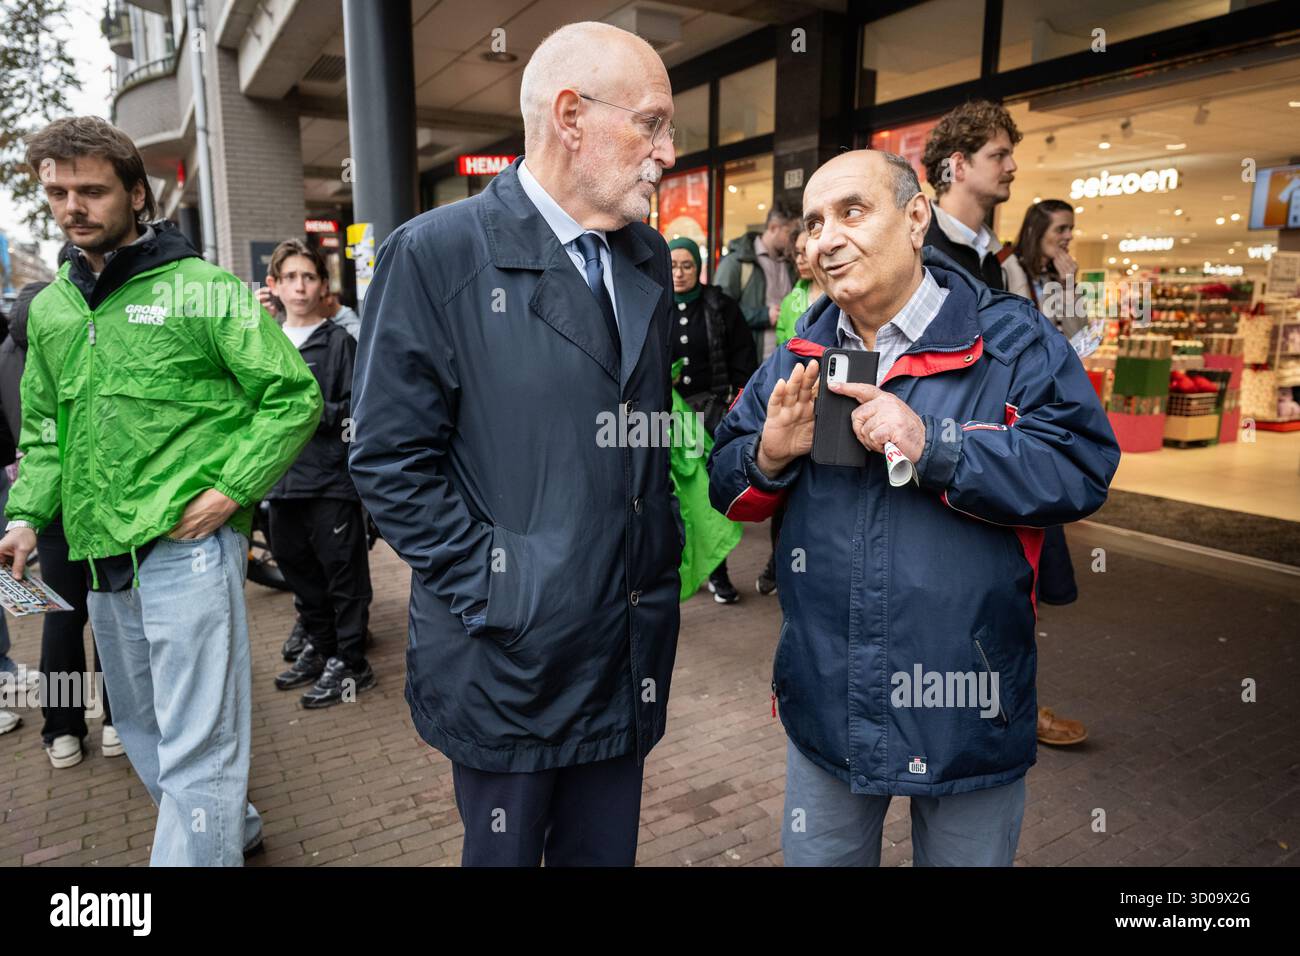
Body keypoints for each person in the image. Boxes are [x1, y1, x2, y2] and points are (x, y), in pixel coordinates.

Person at [707, 149, 1119, 866]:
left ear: (917, 216)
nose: (825, 238)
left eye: (851, 211)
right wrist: (769, 454)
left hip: (968, 706)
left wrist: (936, 445)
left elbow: (1081, 467)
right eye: (812, 222)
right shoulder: (800, 351)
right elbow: (727, 484)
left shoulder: (1013, 341)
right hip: (827, 698)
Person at [348, 21, 681, 867]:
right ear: (571, 116)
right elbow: (389, 460)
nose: (668, 152)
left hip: (626, 648)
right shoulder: (434, 255)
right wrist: (505, 587)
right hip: (511, 663)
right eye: (652, 123)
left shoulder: (643, 254)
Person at [0, 116, 321, 865]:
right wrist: (22, 517)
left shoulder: (203, 290)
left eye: (91, 189)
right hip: (100, 555)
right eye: (57, 193)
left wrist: (228, 491)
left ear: (136, 193)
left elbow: (292, 396)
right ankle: (226, 826)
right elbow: (45, 432)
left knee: (201, 745)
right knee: (143, 729)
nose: (73, 206)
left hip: (188, 551)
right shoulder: (50, 310)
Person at [0, 281, 120, 767]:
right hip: (97, 498)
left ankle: (62, 730)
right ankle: (116, 721)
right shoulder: (74, 339)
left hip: (41, 506)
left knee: (63, 619)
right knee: (113, 612)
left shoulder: (5, 356)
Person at [262, 239, 375, 708]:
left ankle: (351, 662)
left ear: (323, 286)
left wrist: (312, 411)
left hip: (330, 482)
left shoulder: (341, 343)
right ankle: (322, 648)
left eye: (308, 277)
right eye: (290, 277)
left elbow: (359, 413)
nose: (300, 286)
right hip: (278, 482)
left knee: (342, 576)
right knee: (298, 572)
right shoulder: (262, 343)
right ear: (274, 286)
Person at [1005, 198, 1096, 747]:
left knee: (1033, 579)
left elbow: (1082, 346)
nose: (1066, 239)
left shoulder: (1057, 279)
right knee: (1016, 577)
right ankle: (1015, 705)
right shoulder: (1009, 271)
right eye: (1060, 229)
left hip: (1046, 432)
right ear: (1038, 228)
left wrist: (1070, 287)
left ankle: (1020, 701)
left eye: (1072, 231)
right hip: (1016, 435)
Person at [667, 236, 754, 604]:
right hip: (666, 416)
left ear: (698, 268)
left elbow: (743, 357)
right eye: (672, 265)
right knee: (672, 495)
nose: (680, 273)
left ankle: (718, 571)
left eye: (687, 265)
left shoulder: (721, 305)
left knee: (709, 492)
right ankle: (675, 569)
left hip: (711, 413)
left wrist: (735, 399)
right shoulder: (652, 304)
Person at [756, 228, 826, 597]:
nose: (800, 258)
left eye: (805, 251)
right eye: (796, 253)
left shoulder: (836, 295)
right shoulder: (791, 300)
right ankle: (777, 560)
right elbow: (782, 355)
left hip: (827, 405)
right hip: (792, 404)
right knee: (782, 490)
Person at [920, 100, 1021, 291]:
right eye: (999, 155)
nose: (1012, 166)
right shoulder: (918, 246)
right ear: (958, 166)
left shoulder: (995, 255)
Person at [713, 204, 798, 364]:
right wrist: (765, 315)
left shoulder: (791, 264)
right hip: (751, 361)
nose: (792, 239)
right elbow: (719, 311)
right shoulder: (737, 261)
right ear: (773, 227)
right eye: (789, 233)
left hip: (786, 360)